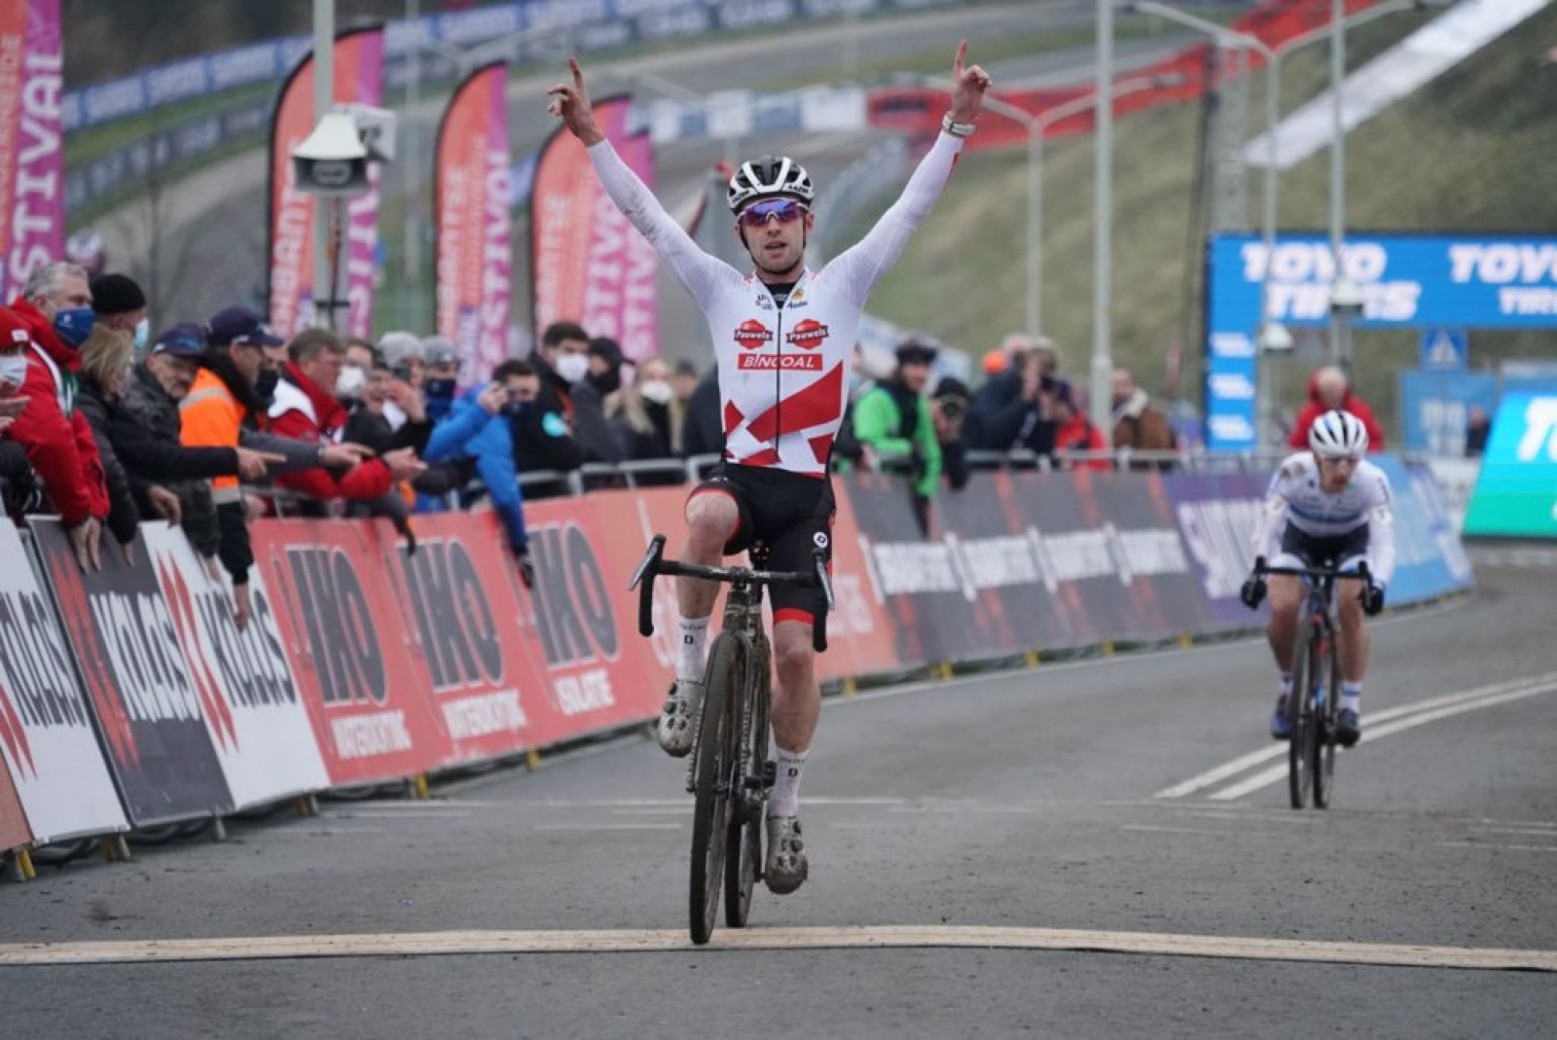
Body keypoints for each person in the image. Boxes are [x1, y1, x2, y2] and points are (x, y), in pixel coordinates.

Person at [549, 40, 990, 894]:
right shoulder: (721, 288)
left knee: (793, 655)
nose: (774, 224)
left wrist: (956, 125)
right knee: (704, 518)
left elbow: (910, 209)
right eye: (757, 215)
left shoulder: (845, 285)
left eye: (787, 211)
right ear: (742, 230)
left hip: (802, 499)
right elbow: (649, 219)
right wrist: (593, 137)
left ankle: (784, 807)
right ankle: (687, 682)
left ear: (808, 221)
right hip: (742, 478)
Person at [182, 307, 372, 628]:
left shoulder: (221, 394)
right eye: (261, 354)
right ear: (237, 351)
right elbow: (222, 495)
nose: (267, 365)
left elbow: (253, 442)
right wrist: (238, 572)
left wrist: (321, 455)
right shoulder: (212, 399)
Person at [1240, 410, 1395, 748]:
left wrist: (1378, 585)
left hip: (1350, 543)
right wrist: (1258, 571)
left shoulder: (1373, 480)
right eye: (1334, 460)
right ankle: (1288, 687)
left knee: (1351, 604)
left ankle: (1350, 704)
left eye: (1351, 461)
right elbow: (1267, 528)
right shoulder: (1293, 472)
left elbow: (1384, 544)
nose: (1343, 471)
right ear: (1316, 457)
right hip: (1301, 540)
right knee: (1282, 606)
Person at [7, 264, 111, 570]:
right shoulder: (20, 352)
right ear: (42, 303)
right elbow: (49, 439)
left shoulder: (57, 362)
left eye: (89, 303)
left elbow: (79, 437)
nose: (87, 312)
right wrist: (78, 512)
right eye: (77, 301)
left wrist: (95, 509)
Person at [269, 328, 426, 507]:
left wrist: (417, 424)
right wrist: (385, 470)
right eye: (334, 364)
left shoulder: (327, 409)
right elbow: (319, 481)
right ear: (306, 365)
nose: (341, 373)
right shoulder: (290, 406)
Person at [423, 359, 539, 587]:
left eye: (533, 395)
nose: (528, 402)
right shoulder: (491, 423)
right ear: (500, 390)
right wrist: (520, 545)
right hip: (434, 514)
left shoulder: (462, 406)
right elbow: (504, 492)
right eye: (522, 393)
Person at [74, 325, 181, 552]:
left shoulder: (104, 407)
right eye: (125, 366)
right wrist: (127, 528)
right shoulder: (88, 406)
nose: (128, 376)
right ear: (107, 366)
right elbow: (106, 469)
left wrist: (143, 490)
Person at [853, 338, 944, 535]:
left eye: (926, 367)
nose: (922, 374)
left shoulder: (918, 402)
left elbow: (931, 449)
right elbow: (866, 443)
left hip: (906, 494)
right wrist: (907, 449)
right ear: (902, 367)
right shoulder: (876, 398)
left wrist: (924, 491)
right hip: (866, 492)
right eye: (915, 366)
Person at [1287, 365, 1385, 453]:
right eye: (1327, 392)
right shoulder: (1308, 414)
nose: (1332, 396)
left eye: (1335, 391)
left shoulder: (1360, 410)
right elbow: (1297, 445)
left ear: (1343, 389)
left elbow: (1375, 440)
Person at [611, 354, 685, 468]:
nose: (659, 384)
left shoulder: (675, 419)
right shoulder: (625, 419)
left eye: (665, 378)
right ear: (638, 381)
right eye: (651, 378)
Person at [1109, 366, 1177, 466]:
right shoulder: (1101, 412)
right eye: (1114, 385)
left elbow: (1161, 447)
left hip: (1140, 470)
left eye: (1123, 384)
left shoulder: (1151, 418)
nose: (1118, 389)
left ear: (1131, 385)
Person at [89, 273, 149, 356]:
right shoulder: (112, 363)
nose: (144, 322)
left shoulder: (79, 356)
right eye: (141, 316)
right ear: (119, 322)